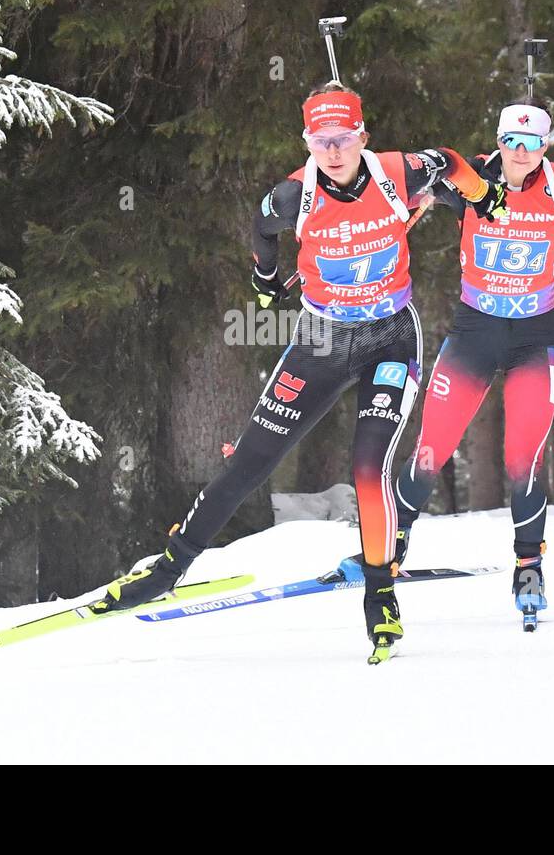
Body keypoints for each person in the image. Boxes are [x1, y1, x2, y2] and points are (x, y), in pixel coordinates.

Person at [92, 83, 505, 661]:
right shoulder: (292, 197)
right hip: (320, 339)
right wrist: (265, 279)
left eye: (342, 139)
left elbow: (454, 164)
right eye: (319, 141)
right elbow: (261, 231)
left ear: (363, 136)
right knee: (252, 461)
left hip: (391, 337)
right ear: (307, 142)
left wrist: (483, 196)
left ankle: (380, 594)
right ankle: (169, 567)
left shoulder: (400, 173)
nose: (332, 151)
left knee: (369, 467)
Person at [391, 103, 554, 624]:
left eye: (532, 144)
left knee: (522, 458)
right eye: (512, 141)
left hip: (535, 337)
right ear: (499, 140)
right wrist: (421, 176)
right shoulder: (473, 179)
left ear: (545, 148)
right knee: (431, 448)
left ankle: (528, 565)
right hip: (474, 332)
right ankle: (389, 548)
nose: (521, 153)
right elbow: (403, 191)